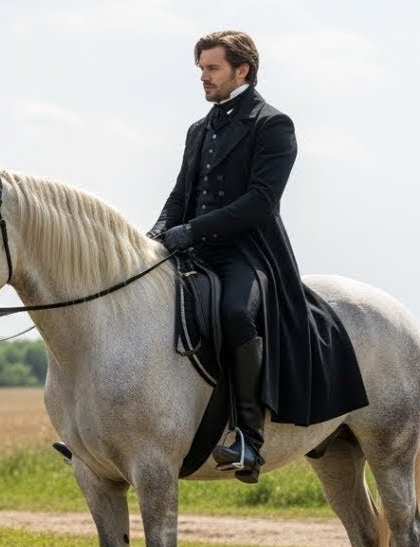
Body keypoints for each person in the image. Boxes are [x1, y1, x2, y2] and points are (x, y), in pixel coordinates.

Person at [148, 30, 368, 483]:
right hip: (194, 248)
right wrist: (153, 237)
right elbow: (179, 195)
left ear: (241, 70)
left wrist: (192, 230)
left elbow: (260, 202)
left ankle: (249, 438)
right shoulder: (200, 128)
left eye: (212, 69)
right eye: (201, 70)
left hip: (248, 253)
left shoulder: (272, 124)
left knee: (233, 314)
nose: (203, 78)